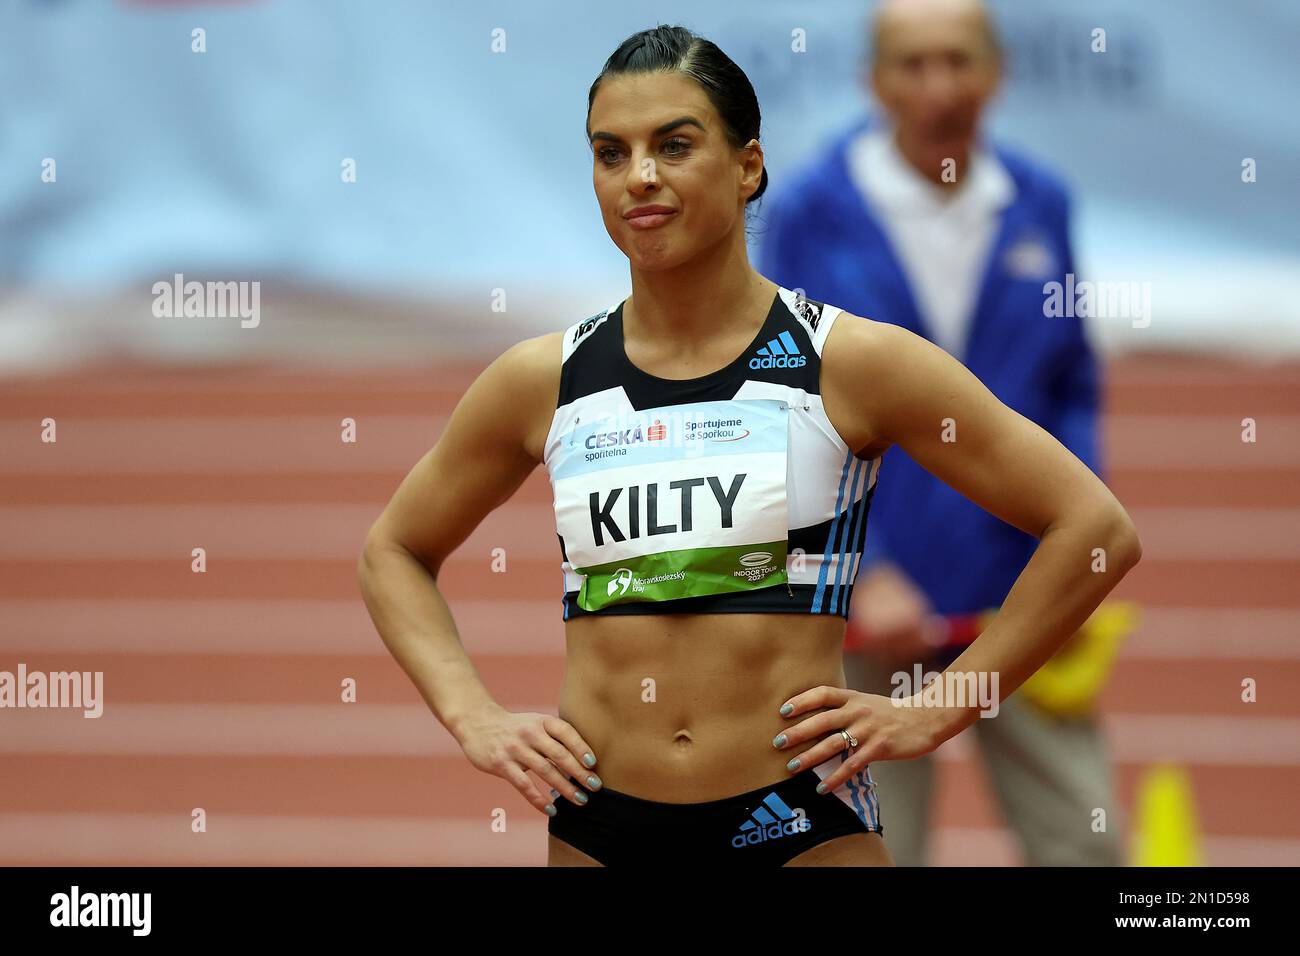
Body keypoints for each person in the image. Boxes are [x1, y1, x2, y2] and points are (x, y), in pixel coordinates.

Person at [357, 23, 1141, 868]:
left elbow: (1094, 530)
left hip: (801, 822)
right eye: (610, 153)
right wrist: (471, 714)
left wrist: (939, 705)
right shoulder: (542, 379)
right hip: (600, 825)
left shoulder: (851, 362)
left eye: (675, 144)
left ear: (748, 166)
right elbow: (393, 550)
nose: (641, 176)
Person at [758, 0, 1125, 865]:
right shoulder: (812, 207)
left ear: (996, 72)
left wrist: (1072, 547)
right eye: (913, 65)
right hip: (867, 608)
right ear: (872, 80)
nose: (939, 87)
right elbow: (784, 400)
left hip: (1017, 585)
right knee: (865, 850)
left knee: (1085, 841)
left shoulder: (1039, 201)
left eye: (959, 61)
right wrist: (866, 565)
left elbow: (1071, 380)